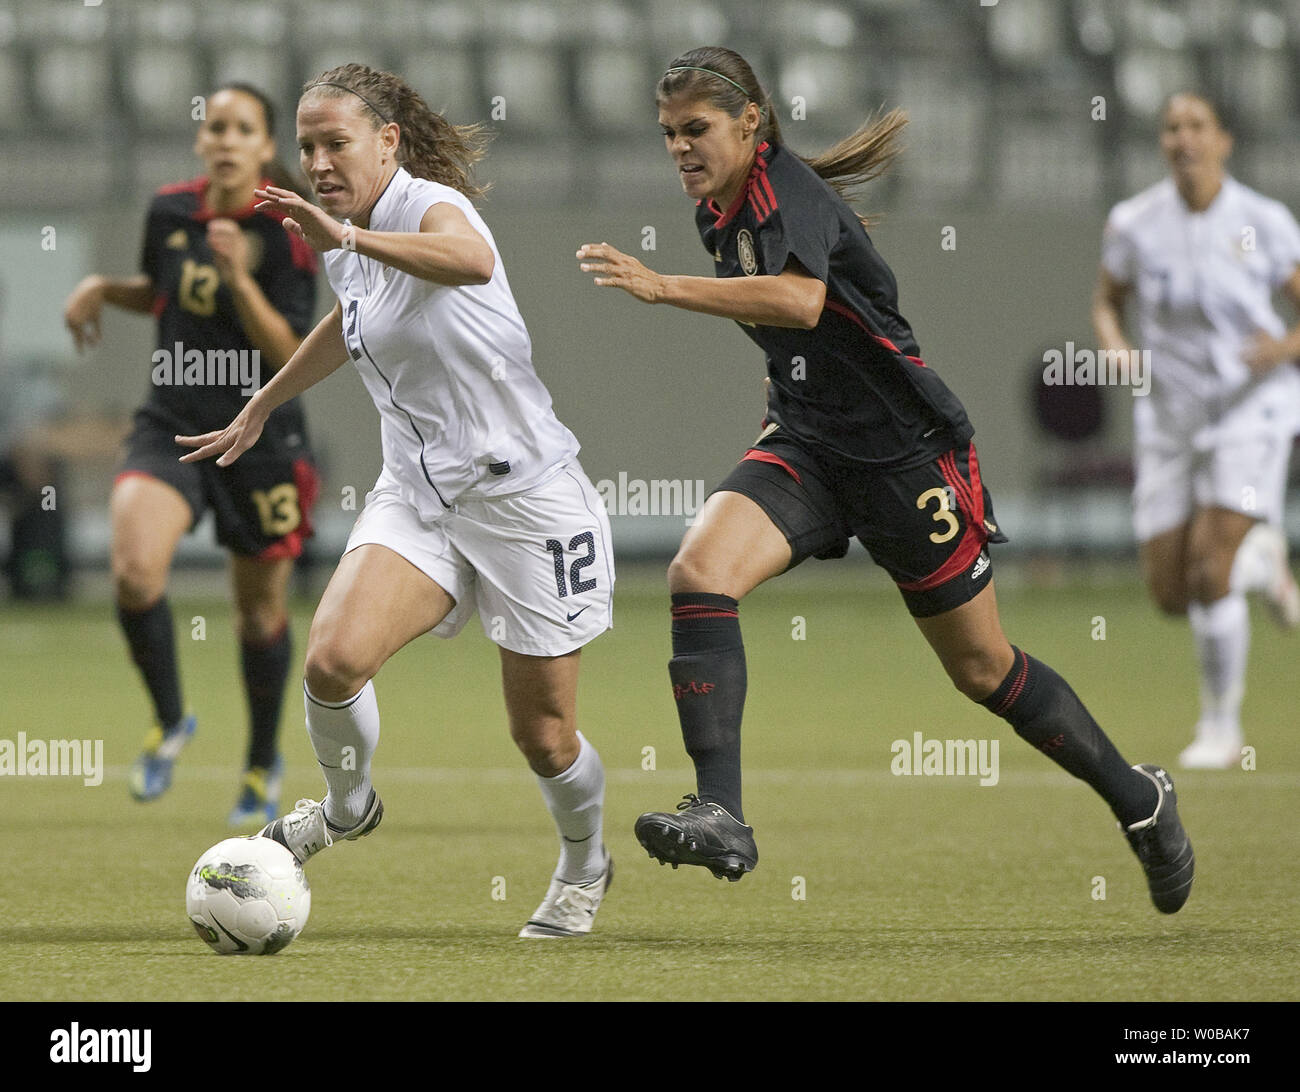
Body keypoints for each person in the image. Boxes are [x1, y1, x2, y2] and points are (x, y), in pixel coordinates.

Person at [576, 46, 1193, 914]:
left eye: (696, 128)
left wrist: (659, 287)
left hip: (908, 459)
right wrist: (781, 397)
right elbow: (787, 331)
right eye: (668, 132)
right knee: (698, 574)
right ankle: (723, 811)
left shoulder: (785, 191)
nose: (679, 146)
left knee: (982, 669)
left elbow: (797, 301)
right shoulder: (720, 211)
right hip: (808, 446)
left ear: (750, 122)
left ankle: (1140, 799)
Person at [177, 64, 615, 938]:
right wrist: (262, 405)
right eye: (307, 147)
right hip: (419, 498)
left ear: (388, 142)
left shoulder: (424, 209)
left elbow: (470, 260)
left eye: (335, 142)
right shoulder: (349, 235)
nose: (319, 160)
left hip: (524, 502)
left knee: (546, 738)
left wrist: (340, 232)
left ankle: (583, 863)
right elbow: (352, 323)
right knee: (333, 661)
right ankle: (346, 808)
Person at [63, 84, 320, 825]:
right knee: (136, 572)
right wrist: (102, 287)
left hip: (261, 433)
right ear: (203, 141)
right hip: (171, 423)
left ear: (266, 147)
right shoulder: (172, 209)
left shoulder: (288, 229)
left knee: (258, 614)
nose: (227, 140)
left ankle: (261, 763)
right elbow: (165, 293)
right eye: (216, 127)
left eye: (244, 129)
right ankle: (172, 720)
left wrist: (240, 276)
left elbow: (293, 351)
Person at [1093, 92, 1300, 770]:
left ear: (1224, 139)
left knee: (1209, 568)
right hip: (1170, 417)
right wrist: (1116, 345)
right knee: (1169, 590)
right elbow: (1107, 299)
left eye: (1197, 126)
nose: (1183, 139)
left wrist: (1282, 348)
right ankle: (1264, 561)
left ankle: (1221, 727)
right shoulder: (1134, 222)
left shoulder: (1263, 222)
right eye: (1171, 128)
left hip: (1252, 408)